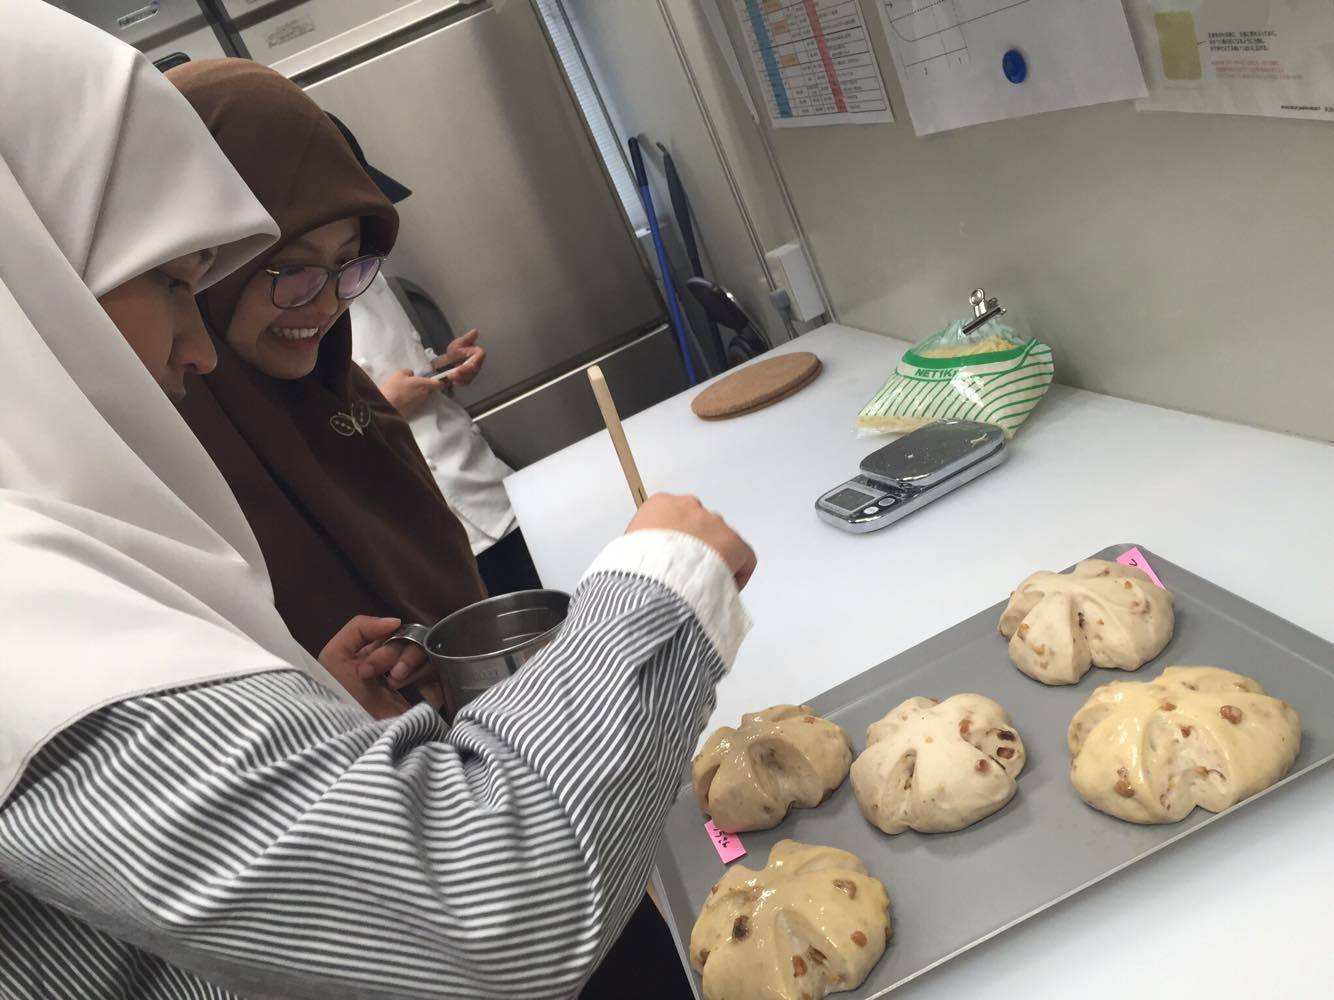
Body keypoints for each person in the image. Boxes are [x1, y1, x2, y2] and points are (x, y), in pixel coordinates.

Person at [0, 7, 755, 1000]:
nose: (195, 348)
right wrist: (664, 583)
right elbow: (485, 913)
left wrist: (312, 722)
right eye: (173, 285)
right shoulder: (31, 622)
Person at [166, 58, 493, 717]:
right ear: (202, 267)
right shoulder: (178, 472)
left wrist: (438, 655)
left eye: (347, 264)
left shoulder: (346, 397)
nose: (324, 305)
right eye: (289, 270)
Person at [325, 113, 543, 596]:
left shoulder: (372, 276)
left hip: (488, 489)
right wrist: (384, 407)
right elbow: (316, 445)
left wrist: (442, 368)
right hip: (425, 534)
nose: (366, 233)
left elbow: (398, 366)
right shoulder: (289, 322)